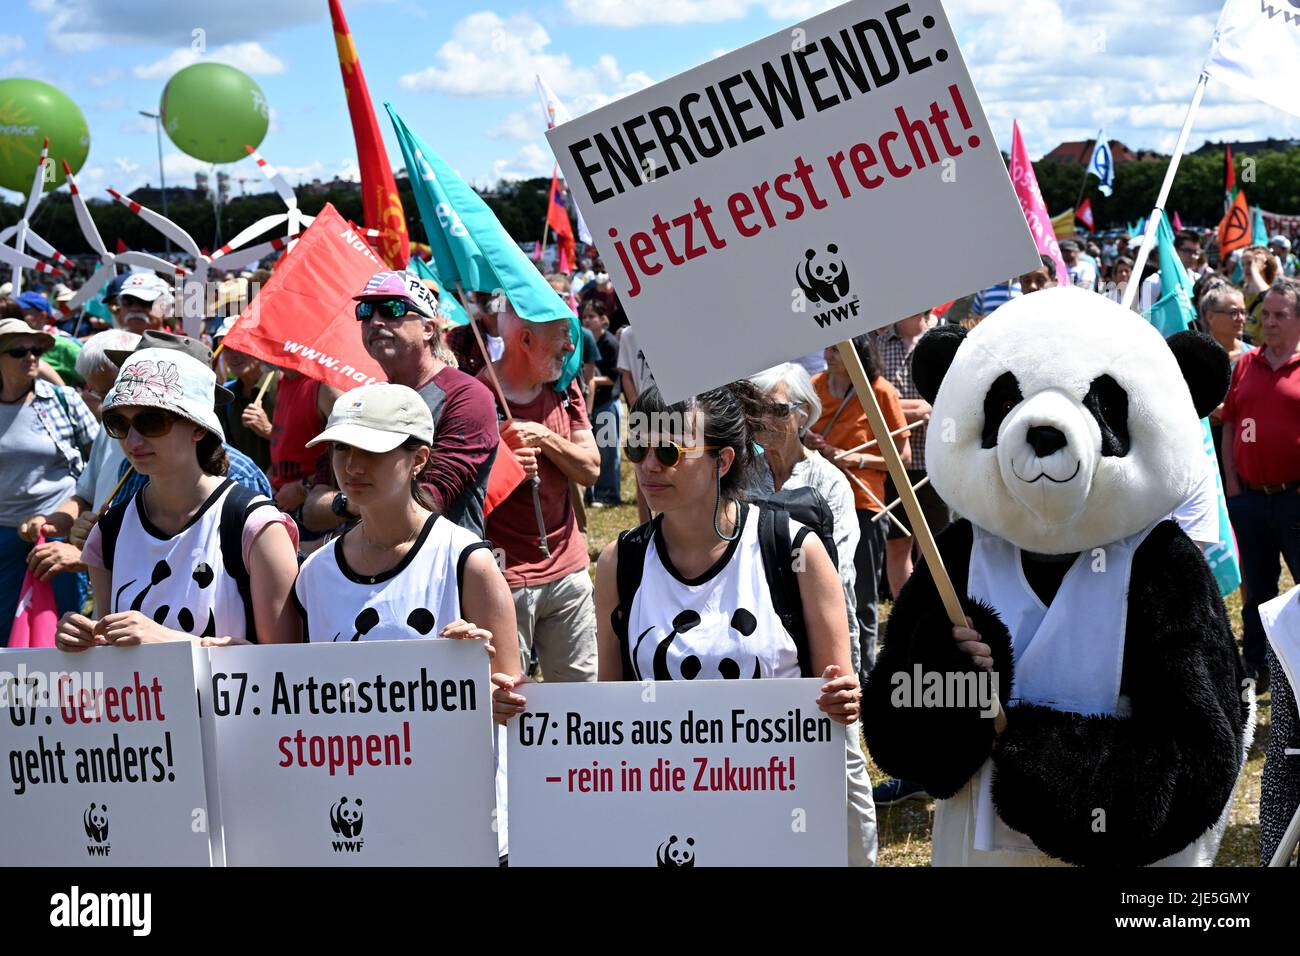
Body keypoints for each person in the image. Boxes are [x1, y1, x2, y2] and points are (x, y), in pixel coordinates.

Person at [581, 381, 874, 865]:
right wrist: (522, 705)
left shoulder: (794, 550)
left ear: (723, 461)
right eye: (637, 447)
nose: (648, 466)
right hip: (671, 814)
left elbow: (835, 688)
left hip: (782, 808)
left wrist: (844, 697)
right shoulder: (620, 561)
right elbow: (610, 707)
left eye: (669, 450)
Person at [55, 347, 300, 649]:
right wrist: (85, 641)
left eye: (152, 422)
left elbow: (286, 667)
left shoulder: (257, 526)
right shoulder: (109, 532)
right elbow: (111, 663)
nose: (132, 441)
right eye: (119, 423)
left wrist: (164, 639)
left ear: (198, 427)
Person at [303, 271, 499, 537]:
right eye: (366, 311)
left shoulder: (467, 396)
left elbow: (428, 501)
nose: (375, 321)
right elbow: (313, 511)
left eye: (392, 309)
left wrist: (347, 500)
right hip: (366, 569)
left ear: (428, 328)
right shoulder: (360, 401)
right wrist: (351, 501)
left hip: (442, 569)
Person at [482, 298, 600, 682]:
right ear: (527, 340)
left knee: (581, 699)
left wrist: (546, 438)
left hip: (569, 570)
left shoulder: (566, 391)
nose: (571, 347)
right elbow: (451, 492)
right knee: (507, 699)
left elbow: (591, 468)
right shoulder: (477, 396)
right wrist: (505, 460)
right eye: (564, 336)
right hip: (503, 579)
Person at [805, 334, 909, 675]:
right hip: (813, 502)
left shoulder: (880, 391)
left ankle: (865, 678)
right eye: (828, 347)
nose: (828, 354)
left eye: (837, 349)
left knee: (862, 594)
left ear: (859, 353)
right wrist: (805, 440)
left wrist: (852, 460)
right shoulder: (812, 387)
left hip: (865, 502)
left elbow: (901, 458)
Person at [1221, 277, 1300, 693]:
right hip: (1250, 499)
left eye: (1279, 315)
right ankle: (1257, 667)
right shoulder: (1247, 364)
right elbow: (1230, 422)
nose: (1268, 322)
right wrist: (1233, 484)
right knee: (1258, 591)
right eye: (1265, 314)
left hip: (1295, 498)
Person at [17, 330, 139, 592]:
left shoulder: (160, 450)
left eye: (111, 390)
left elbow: (162, 542)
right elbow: (84, 494)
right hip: (111, 594)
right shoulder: (109, 431)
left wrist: (86, 556)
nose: (106, 402)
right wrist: (56, 520)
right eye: (97, 392)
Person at [1, 318, 98, 637]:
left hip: (54, 532)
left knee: (61, 627)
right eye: (18, 351)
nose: (30, 357)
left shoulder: (62, 400)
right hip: (4, 535)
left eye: (34, 350)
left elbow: (99, 458)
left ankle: (67, 688)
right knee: (6, 629)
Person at [875, 310, 949, 599]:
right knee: (897, 543)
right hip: (895, 461)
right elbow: (873, 401)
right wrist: (920, 408)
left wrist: (899, 408)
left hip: (937, 461)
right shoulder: (880, 345)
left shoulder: (941, 340)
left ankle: (940, 611)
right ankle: (905, 614)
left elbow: (953, 397)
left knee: (937, 544)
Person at [581, 299, 622, 507]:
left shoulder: (610, 344)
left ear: (603, 319)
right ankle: (591, 493)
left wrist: (593, 381)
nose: (587, 320)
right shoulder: (585, 341)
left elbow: (615, 377)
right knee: (591, 449)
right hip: (590, 404)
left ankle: (609, 493)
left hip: (607, 403)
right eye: (585, 316)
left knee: (607, 450)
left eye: (592, 316)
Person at [617, 321, 657, 523]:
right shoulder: (629, 335)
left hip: (676, 411)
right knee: (642, 468)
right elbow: (626, 374)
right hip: (643, 412)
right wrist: (636, 406)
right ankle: (646, 525)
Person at [218, 348, 276, 473]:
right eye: (227, 349)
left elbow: (306, 447)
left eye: (240, 348)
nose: (234, 355)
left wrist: (268, 431)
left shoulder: (283, 384)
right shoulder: (225, 395)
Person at [16, 291, 82, 385]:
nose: (15, 317)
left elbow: (98, 377)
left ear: (42, 316)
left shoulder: (64, 346)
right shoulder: (9, 344)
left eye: (21, 313)